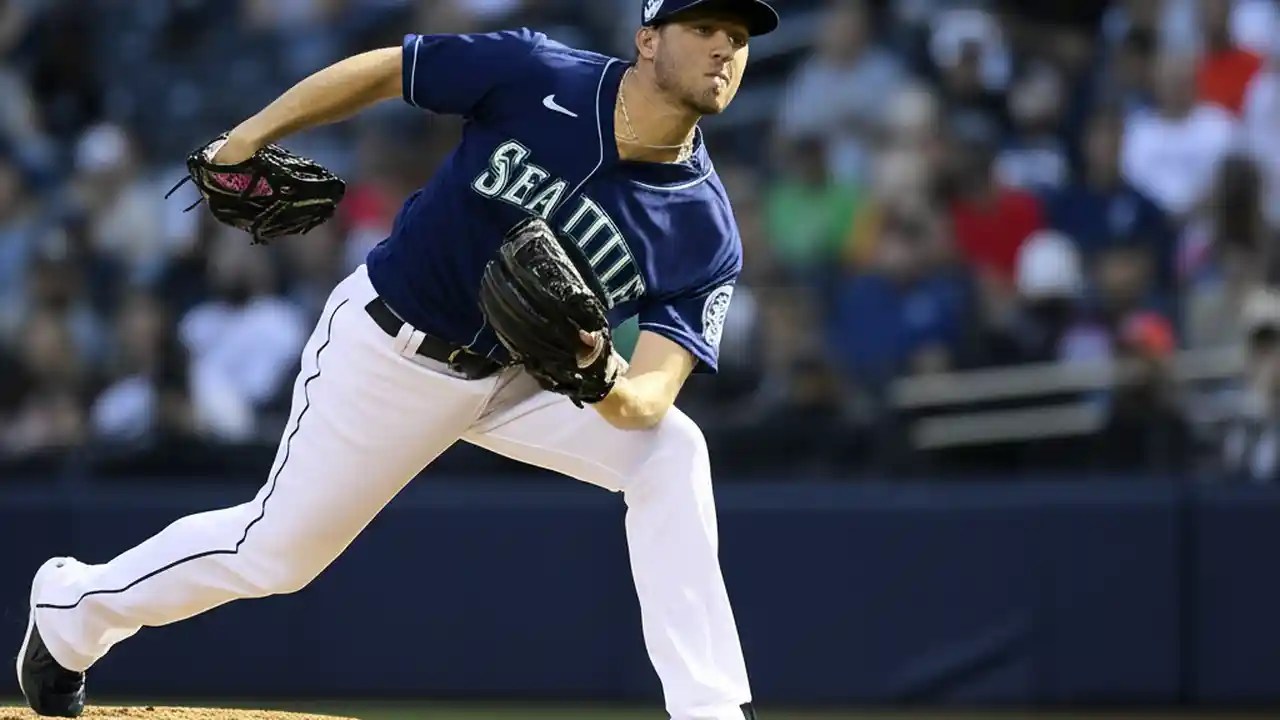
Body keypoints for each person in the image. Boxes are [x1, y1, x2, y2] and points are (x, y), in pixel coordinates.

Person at [15, 2, 780, 719]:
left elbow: (649, 394)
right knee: (275, 555)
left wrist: (603, 376)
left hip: (527, 379)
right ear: (648, 38)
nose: (724, 47)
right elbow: (390, 68)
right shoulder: (540, 72)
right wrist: (246, 139)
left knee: (671, 450)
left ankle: (707, 708)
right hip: (393, 348)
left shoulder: (705, 229)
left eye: (739, 37)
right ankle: (72, 608)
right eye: (704, 25)